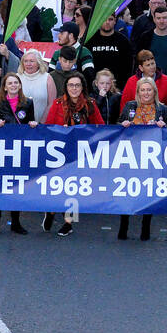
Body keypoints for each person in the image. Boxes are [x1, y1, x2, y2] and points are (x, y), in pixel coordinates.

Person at [42, 73, 103, 236]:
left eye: (77, 85)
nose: (74, 88)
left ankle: (68, 223)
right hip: (59, 152)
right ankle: (52, 210)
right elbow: (48, 127)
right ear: (66, 87)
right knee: (56, 186)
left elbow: (100, 126)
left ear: (82, 87)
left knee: (73, 189)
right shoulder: (57, 104)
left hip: (80, 153)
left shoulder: (90, 104)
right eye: (71, 85)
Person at [117, 75, 167, 241]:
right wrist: (123, 125)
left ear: (154, 91)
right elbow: (117, 127)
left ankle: (145, 227)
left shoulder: (163, 109)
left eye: (149, 90)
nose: (146, 93)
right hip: (131, 156)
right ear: (138, 92)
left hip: (151, 158)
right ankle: (123, 226)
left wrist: (164, 126)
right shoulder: (129, 106)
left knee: (149, 191)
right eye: (142, 90)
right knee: (127, 191)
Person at [0, 73, 35, 235]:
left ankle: (16, 222)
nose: (13, 85)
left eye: (16, 82)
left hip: (20, 149)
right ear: (5, 87)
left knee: (17, 186)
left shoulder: (28, 103)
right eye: (10, 83)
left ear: (20, 85)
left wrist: (34, 124)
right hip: (1, 150)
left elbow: (31, 122)